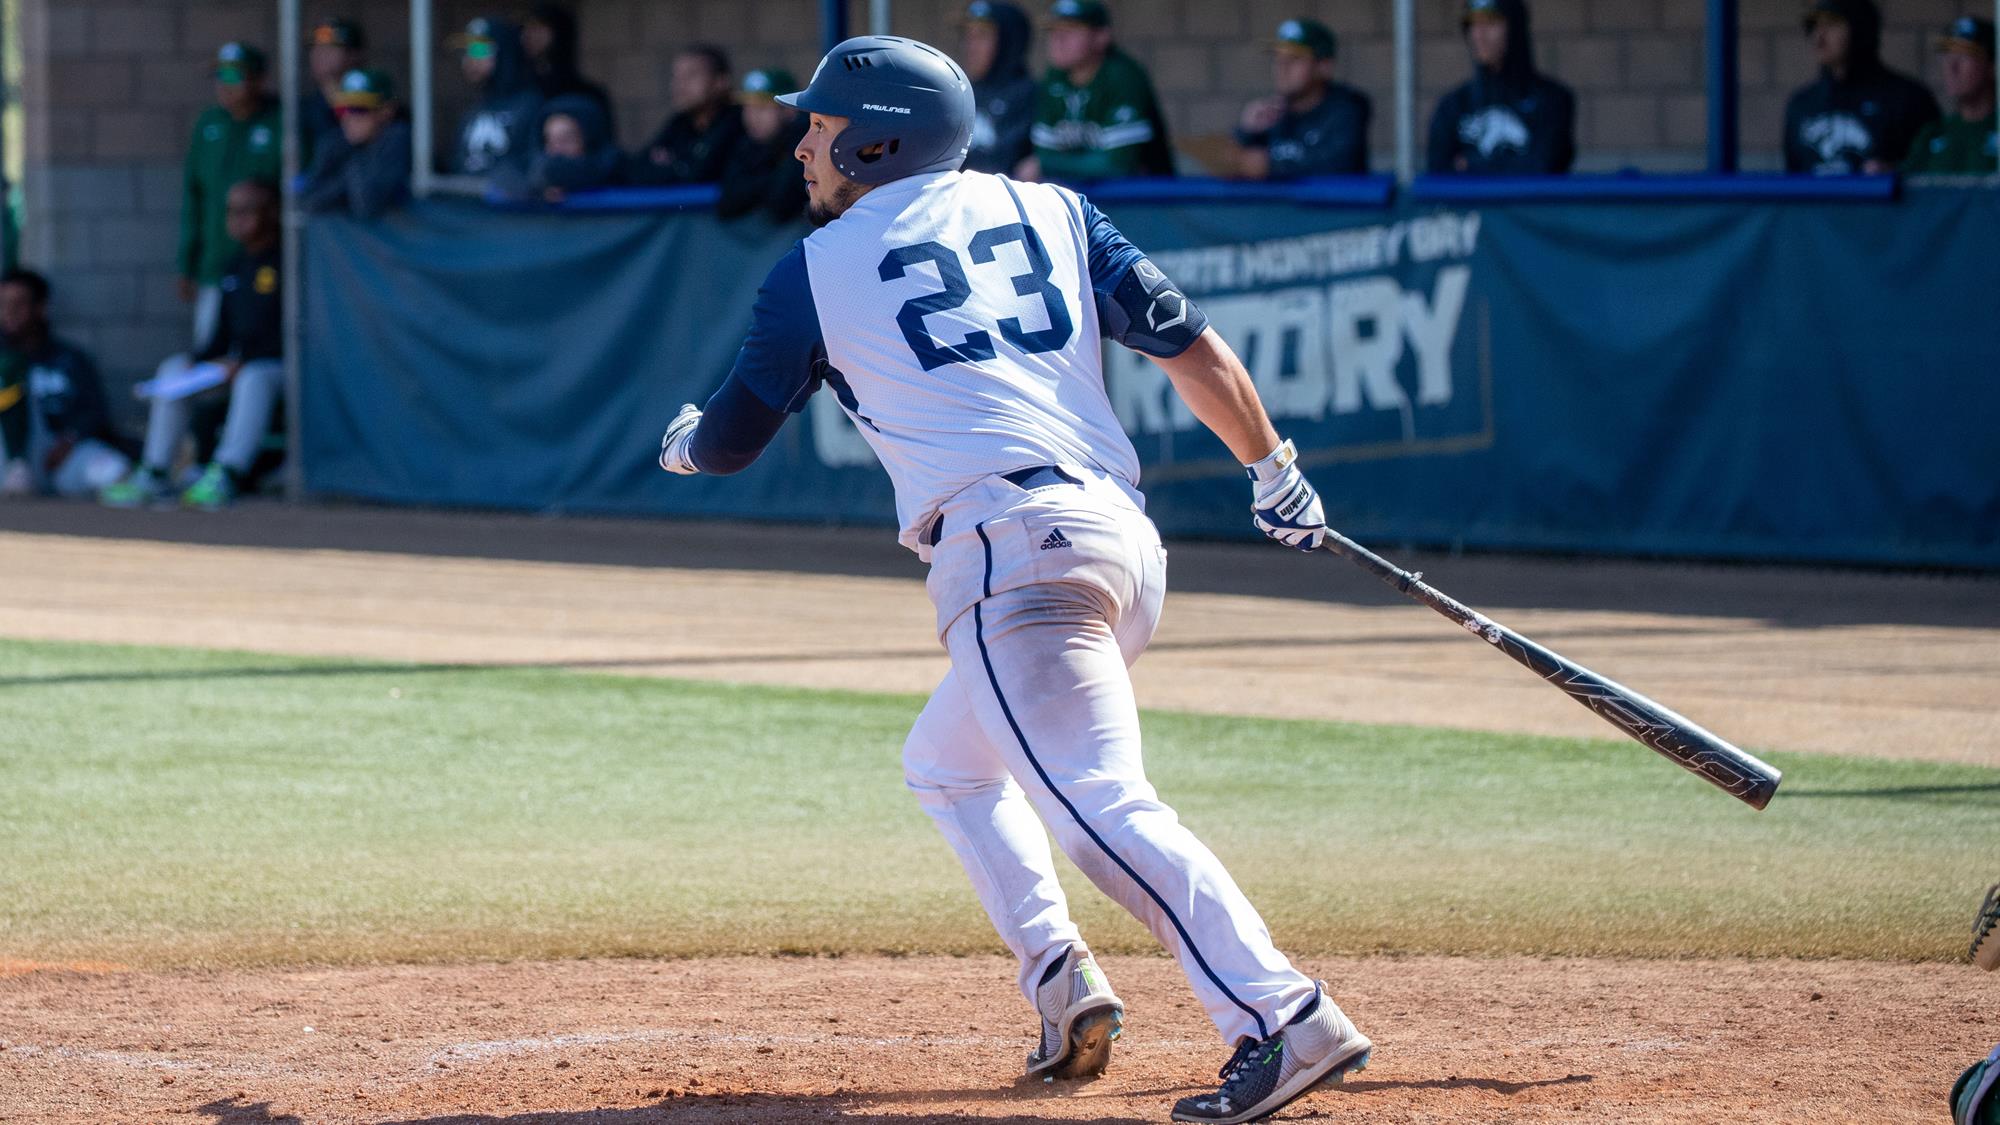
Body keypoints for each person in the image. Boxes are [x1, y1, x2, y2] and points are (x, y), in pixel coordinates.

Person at [654, 35, 1372, 1125]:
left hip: (1010, 560)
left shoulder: (815, 269)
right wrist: (1273, 471)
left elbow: (732, 444)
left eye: (821, 123)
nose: (805, 141)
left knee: (1096, 809)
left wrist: (682, 444)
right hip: (1117, 547)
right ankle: (1059, 980)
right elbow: (1191, 350)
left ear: (879, 138)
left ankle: (1280, 1017)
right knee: (946, 766)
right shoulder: (1055, 210)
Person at [101, 181, 285, 512]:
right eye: (231, 211)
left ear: (271, 213)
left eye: (247, 211)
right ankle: (155, 472)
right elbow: (221, 335)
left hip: (280, 368)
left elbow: (293, 334)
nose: (237, 219)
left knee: (253, 378)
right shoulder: (234, 265)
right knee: (174, 368)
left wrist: (243, 362)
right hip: (237, 364)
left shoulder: (290, 261)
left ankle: (227, 472)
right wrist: (201, 362)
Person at [179, 42, 283, 349]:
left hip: (268, 265)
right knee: (209, 355)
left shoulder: (280, 121)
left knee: (260, 356)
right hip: (215, 264)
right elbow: (193, 198)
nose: (225, 85)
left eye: (235, 76)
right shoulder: (209, 123)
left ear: (259, 79)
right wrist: (187, 263)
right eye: (220, 76)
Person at [0, 269, 129, 499]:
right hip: (8, 457)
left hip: (61, 455)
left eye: (18, 304)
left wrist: (70, 439)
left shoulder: (69, 358)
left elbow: (96, 412)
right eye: (3, 304)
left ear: (40, 308)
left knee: (114, 470)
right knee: (12, 391)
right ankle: (18, 471)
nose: (9, 313)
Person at [1784, 0, 1939, 173]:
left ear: (1860, 30)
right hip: (1816, 201)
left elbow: (1932, 176)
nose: (1819, 37)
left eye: (1832, 24)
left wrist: (1894, 172)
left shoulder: (1908, 99)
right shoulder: (1802, 104)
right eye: (1814, 26)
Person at [1028, 0, 1175, 181]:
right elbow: (1044, 152)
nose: (1059, 39)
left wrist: (1049, 165)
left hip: (1145, 201)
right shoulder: (1054, 77)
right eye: (1053, 31)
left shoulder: (1123, 75)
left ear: (1101, 37)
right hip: (1083, 198)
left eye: (1071, 30)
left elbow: (1117, 165)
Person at [1426, 0, 1574, 174]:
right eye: (1473, 24)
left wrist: (1469, 164)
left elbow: (1543, 165)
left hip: (1529, 201)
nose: (1479, 34)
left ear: (1514, 29)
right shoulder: (1453, 106)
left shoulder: (1552, 100)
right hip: (1471, 202)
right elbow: (1438, 171)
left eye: (1490, 23)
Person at [1235, 18, 1371, 179]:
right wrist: (1246, 132)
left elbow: (1340, 164)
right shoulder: (1271, 114)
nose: (1282, 67)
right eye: (1278, 58)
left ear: (1324, 67)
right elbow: (1229, 164)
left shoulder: (1346, 109)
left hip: (1328, 204)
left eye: (1294, 59)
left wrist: (1270, 167)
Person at [299, 68, 413, 219]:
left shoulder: (399, 138)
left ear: (387, 110)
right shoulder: (337, 142)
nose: (348, 117)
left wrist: (346, 174)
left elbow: (367, 206)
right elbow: (308, 202)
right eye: (342, 109)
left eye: (358, 109)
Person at [450, 16, 544, 180]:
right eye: (466, 51)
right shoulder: (474, 110)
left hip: (507, 203)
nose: (469, 59)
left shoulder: (531, 105)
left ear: (504, 52)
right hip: (466, 202)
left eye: (479, 50)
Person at [633, 45, 743, 185]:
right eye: (676, 76)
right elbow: (637, 169)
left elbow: (699, 173)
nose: (679, 85)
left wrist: (672, 165)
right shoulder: (680, 123)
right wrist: (678, 167)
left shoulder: (739, 122)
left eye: (691, 75)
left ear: (720, 82)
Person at [1903, 16, 1997, 174]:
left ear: (1992, 66)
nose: (1952, 66)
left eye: (1965, 55)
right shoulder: (1933, 133)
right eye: (1947, 55)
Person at [716, 68, 809, 221]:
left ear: (789, 110)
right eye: (748, 108)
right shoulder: (746, 145)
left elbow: (782, 200)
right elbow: (727, 202)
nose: (753, 117)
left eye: (762, 108)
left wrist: (754, 187)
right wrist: (766, 184)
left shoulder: (806, 141)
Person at [961, 0, 1037, 175]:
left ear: (1008, 41)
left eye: (982, 35)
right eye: (968, 35)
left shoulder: (1029, 96)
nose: (971, 46)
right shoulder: (961, 92)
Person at [519, 2, 616, 135]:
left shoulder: (587, 95)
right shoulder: (520, 93)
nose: (528, 35)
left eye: (538, 27)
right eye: (526, 28)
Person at [525, 94, 626, 202]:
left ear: (589, 141)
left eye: (566, 140)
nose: (555, 150)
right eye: (548, 140)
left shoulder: (617, 167)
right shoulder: (533, 175)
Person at [301, 16, 367, 157]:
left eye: (330, 48)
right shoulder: (305, 109)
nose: (320, 54)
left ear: (354, 54)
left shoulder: (375, 105)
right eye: (315, 48)